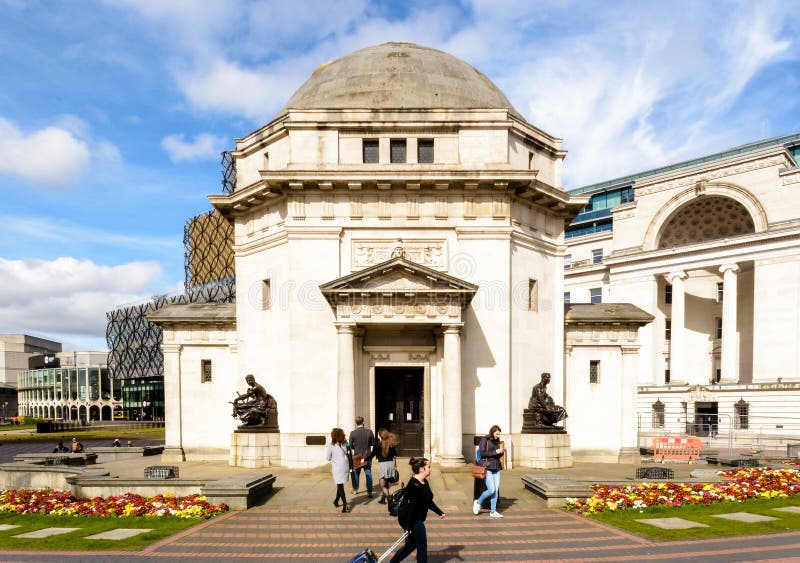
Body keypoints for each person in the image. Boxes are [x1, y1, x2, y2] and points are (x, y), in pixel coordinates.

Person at [389, 457, 446, 563]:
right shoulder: (414, 486)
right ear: (421, 469)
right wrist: (408, 527)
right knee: (421, 545)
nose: (431, 469)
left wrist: (439, 512)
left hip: (414, 518)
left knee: (411, 545)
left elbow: (428, 501)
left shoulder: (424, 482)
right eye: (428, 467)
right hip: (412, 519)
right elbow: (411, 509)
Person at [473, 425, 504, 518]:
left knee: (495, 490)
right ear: (492, 432)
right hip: (488, 467)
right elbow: (483, 453)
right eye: (497, 433)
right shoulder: (484, 440)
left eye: (499, 434)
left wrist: (501, 453)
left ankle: (493, 511)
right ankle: (478, 502)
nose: (498, 435)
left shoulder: (497, 441)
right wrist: (495, 452)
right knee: (491, 489)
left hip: (496, 468)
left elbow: (496, 455)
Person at [366, 427, 398, 504]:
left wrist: (364, 459)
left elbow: (372, 455)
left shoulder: (377, 445)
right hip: (391, 464)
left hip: (383, 465)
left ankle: (389, 498)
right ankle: (383, 499)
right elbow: (395, 454)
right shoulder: (391, 444)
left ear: (380, 435)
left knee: (382, 485)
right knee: (386, 482)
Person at [325, 427, 351, 513]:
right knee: (339, 485)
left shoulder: (331, 445)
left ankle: (345, 504)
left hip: (337, 468)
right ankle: (336, 501)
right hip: (345, 466)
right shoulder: (346, 443)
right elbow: (350, 452)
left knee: (340, 485)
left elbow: (328, 457)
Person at [349, 416, 374, 498]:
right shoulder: (369, 432)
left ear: (356, 423)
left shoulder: (352, 433)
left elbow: (350, 445)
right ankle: (370, 491)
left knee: (356, 473)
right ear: (363, 422)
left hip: (357, 456)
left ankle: (355, 489)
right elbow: (373, 443)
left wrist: (355, 447)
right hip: (367, 456)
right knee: (368, 473)